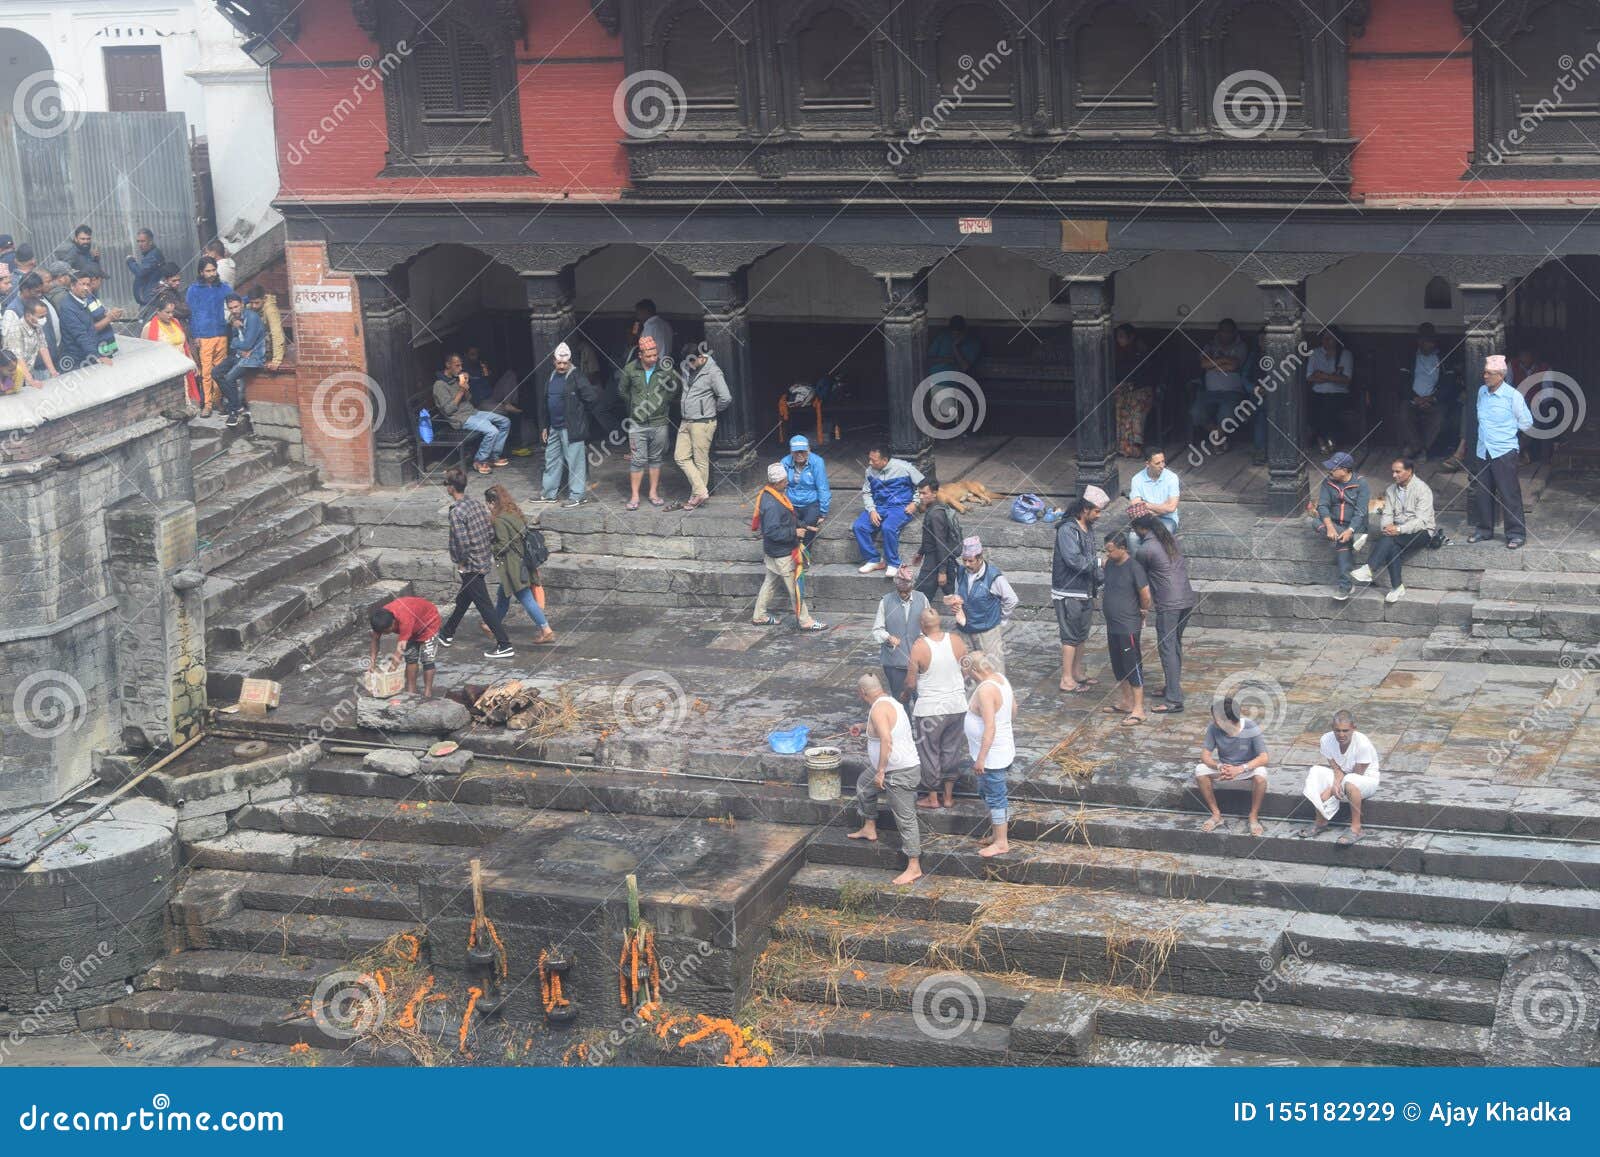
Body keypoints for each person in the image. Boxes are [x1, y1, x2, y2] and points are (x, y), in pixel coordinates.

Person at [846, 672, 924, 886]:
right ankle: (869, 826)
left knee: (905, 817)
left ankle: (914, 866)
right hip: (892, 766)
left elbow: (887, 741)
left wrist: (880, 771)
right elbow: (884, 727)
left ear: (861, 693)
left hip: (899, 770)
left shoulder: (879, 709)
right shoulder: (889, 702)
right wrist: (862, 727)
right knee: (864, 784)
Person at [438, 468, 514, 657]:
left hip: (470, 565)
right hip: (483, 558)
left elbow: (462, 543)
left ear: (450, 488)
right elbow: (490, 532)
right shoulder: (476, 504)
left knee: (484, 605)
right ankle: (447, 633)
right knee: (464, 599)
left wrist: (461, 562)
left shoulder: (457, 512)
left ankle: (504, 644)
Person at [903, 607, 968, 811]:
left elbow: (911, 683)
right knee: (951, 749)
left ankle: (932, 797)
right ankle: (948, 797)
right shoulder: (956, 640)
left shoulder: (919, 646)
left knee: (929, 752)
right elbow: (967, 669)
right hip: (956, 706)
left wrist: (903, 697)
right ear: (939, 622)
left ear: (922, 626)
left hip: (930, 709)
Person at [1467, 354, 1533, 549]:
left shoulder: (1513, 396)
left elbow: (1527, 422)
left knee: (1508, 493)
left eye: (1489, 373)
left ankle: (1516, 534)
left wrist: (1509, 436)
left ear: (1501, 376)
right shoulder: (1481, 392)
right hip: (1483, 450)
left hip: (1504, 451)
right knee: (1483, 492)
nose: (1485, 376)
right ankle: (1484, 530)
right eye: (1485, 372)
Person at [1132, 514, 1196, 715]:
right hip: (1186, 599)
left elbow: (1137, 577)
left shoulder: (1146, 549)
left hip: (1169, 604)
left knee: (1167, 649)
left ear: (1141, 530)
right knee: (1174, 646)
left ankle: (1174, 700)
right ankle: (1172, 687)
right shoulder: (1172, 540)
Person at [1349, 458, 1435, 603]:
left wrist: (1399, 529)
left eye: (1398, 472)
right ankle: (1397, 587)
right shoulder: (1391, 490)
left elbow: (1422, 521)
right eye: (1393, 472)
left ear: (1409, 471)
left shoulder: (1423, 489)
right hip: (1398, 531)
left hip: (1422, 531)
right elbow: (1387, 514)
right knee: (1391, 544)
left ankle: (1370, 568)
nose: (1394, 475)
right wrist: (1387, 527)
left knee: (1389, 540)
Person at [751, 462, 825, 631]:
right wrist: (794, 533)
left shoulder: (772, 495)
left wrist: (805, 526)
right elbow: (771, 531)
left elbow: (788, 517)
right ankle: (805, 621)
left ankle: (759, 615)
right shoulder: (771, 505)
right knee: (795, 589)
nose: (787, 483)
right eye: (785, 481)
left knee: (770, 582)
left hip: (773, 552)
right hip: (781, 553)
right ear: (777, 483)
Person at [485, 484, 555, 645]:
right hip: (523, 563)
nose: (487, 507)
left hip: (513, 568)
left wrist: (489, 546)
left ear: (492, 502)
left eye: (487, 503)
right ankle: (491, 625)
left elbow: (502, 545)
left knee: (526, 598)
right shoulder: (514, 514)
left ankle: (546, 630)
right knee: (503, 596)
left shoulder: (499, 521)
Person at [963, 651, 1016, 859]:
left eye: (967, 671)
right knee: (987, 792)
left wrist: (982, 758)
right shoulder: (1001, 678)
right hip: (999, 749)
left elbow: (990, 727)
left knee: (996, 797)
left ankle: (1002, 842)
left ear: (975, 671)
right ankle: (996, 834)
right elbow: (1013, 708)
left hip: (992, 756)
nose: (967, 676)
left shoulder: (986, 690)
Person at [1301, 710, 1381, 846]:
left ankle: (1356, 829)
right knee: (1316, 771)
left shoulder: (1363, 744)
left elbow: (1357, 774)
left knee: (1350, 781)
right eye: (1337, 731)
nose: (1341, 735)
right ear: (1332, 728)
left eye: (1345, 731)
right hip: (1344, 775)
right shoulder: (1326, 739)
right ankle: (1320, 821)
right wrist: (1335, 783)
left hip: (1365, 780)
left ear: (1353, 729)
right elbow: (1336, 768)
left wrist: (1331, 790)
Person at [1194, 696, 1270, 836]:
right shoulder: (1213, 728)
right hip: (1225, 768)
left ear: (1227, 721)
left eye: (1216, 719)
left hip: (1246, 769)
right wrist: (1218, 766)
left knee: (1261, 774)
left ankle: (1253, 816)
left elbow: (1264, 757)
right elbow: (1205, 756)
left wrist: (1241, 769)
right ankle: (1216, 814)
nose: (1213, 721)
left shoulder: (1250, 726)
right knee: (1200, 770)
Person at [618, 334, 675, 509]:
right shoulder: (630, 369)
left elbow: (673, 389)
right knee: (637, 459)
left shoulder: (665, 369)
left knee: (656, 458)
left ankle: (653, 492)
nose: (653, 359)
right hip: (637, 422)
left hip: (659, 422)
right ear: (640, 355)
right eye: (648, 356)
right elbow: (623, 391)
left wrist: (662, 402)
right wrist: (635, 406)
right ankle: (634, 496)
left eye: (655, 355)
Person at [1052, 497, 1102, 694]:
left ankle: (1077, 672)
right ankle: (1066, 678)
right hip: (1068, 590)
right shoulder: (1067, 530)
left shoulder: (1088, 529)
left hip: (1086, 590)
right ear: (1084, 510)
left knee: (1081, 634)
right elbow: (1074, 560)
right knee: (1070, 636)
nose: (1099, 515)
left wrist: (1100, 579)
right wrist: (1099, 563)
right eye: (1096, 511)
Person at [1100, 532, 1150, 726]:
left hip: (1128, 625)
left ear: (1123, 548)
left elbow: (1145, 594)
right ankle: (1126, 701)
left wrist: (1143, 611)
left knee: (1132, 664)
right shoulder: (1110, 564)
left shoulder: (1134, 568)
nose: (1108, 554)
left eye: (1111, 550)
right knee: (1118, 665)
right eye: (1107, 550)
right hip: (1112, 625)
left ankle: (1139, 709)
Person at [433, 352, 511, 475]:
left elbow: (469, 399)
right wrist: (461, 390)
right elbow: (448, 410)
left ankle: (493, 456)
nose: (460, 369)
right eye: (457, 366)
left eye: (461, 365)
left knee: (505, 421)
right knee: (492, 431)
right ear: (448, 365)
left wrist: (466, 385)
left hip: (472, 412)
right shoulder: (440, 385)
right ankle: (479, 460)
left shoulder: (456, 378)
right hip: (459, 419)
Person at [948, 536, 1018, 674]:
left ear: (980, 559)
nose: (967, 564)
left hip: (987, 632)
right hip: (965, 630)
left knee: (992, 670)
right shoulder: (961, 572)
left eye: (971, 561)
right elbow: (958, 594)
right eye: (964, 560)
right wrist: (956, 605)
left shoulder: (993, 576)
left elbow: (1012, 599)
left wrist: (1001, 620)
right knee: (967, 670)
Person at [541, 341, 599, 506]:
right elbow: (545, 402)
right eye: (559, 363)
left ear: (570, 362)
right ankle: (549, 493)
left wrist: (579, 416)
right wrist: (545, 426)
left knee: (575, 462)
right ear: (554, 361)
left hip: (571, 428)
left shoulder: (576, 376)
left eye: (565, 363)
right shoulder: (551, 376)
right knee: (551, 460)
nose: (561, 366)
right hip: (554, 427)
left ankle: (578, 496)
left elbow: (592, 398)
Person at [675, 341, 730, 509]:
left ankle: (696, 496)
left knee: (700, 460)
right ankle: (701, 490)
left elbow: (725, 397)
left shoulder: (713, 372)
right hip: (686, 420)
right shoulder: (687, 367)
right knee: (680, 456)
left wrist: (710, 410)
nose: (689, 365)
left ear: (701, 357)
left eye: (692, 361)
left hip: (703, 422)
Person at [853, 444, 923, 574]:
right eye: (869, 459)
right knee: (859, 526)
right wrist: (872, 510)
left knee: (888, 527)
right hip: (879, 506)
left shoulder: (905, 467)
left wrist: (915, 503)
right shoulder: (869, 471)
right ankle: (874, 559)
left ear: (884, 460)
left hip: (900, 506)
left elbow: (923, 485)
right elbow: (867, 492)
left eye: (874, 460)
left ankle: (893, 563)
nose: (870, 462)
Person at [1315, 451, 1370, 601]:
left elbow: (1360, 512)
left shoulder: (1361, 483)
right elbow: (1322, 506)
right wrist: (1331, 527)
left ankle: (1345, 586)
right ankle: (1350, 539)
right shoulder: (1328, 482)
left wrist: (1350, 530)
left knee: (1342, 542)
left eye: (1333, 468)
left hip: (1355, 526)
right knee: (1314, 521)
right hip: (1334, 524)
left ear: (1345, 470)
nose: (1330, 471)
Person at [368, 596, 443, 698]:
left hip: (429, 624)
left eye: (387, 632)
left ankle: (427, 693)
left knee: (428, 660)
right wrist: (372, 663)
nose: (385, 634)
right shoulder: (380, 620)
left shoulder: (404, 619)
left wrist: (390, 673)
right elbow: (375, 640)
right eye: (383, 632)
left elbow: (400, 650)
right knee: (411, 658)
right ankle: (411, 690)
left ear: (394, 623)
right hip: (412, 628)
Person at [186, 256, 232, 417]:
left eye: (213, 270)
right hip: (204, 336)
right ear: (201, 272)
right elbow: (192, 315)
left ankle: (218, 400)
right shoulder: (193, 290)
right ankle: (207, 404)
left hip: (221, 333)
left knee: (219, 372)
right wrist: (196, 335)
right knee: (206, 372)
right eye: (208, 271)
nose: (212, 273)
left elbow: (235, 301)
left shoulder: (224, 287)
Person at [873, 567, 927, 699]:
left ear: (912, 586)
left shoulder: (922, 599)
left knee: (921, 699)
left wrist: (922, 636)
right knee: (900, 699)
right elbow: (877, 630)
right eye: (900, 591)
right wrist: (888, 637)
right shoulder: (885, 601)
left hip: (917, 662)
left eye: (906, 591)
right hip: (894, 662)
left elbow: (928, 625)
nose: (903, 594)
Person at [1192, 319, 1249, 441]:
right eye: (1223, 331)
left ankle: (1217, 441)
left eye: (1229, 331)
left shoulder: (1241, 346)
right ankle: (1217, 437)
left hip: (1232, 392)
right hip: (1210, 392)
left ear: (1234, 332)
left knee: (1226, 416)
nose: (1226, 334)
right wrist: (1225, 360)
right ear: (1218, 332)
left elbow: (1234, 365)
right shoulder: (1210, 345)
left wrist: (1213, 363)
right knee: (1196, 413)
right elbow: (1203, 364)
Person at [215, 292, 265, 426]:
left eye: (236, 307)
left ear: (242, 305)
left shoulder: (252, 317)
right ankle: (237, 406)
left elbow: (247, 344)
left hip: (254, 356)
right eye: (231, 308)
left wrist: (234, 343)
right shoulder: (234, 318)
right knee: (216, 373)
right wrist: (233, 324)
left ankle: (234, 412)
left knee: (229, 378)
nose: (234, 310)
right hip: (239, 354)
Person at [911, 476, 962, 603]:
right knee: (953, 598)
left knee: (919, 599)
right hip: (936, 559)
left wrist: (942, 571)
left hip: (935, 561)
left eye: (924, 493)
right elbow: (929, 537)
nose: (921, 497)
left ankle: (968, 621)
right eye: (919, 493)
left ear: (934, 493)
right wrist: (920, 552)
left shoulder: (936, 514)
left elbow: (941, 543)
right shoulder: (932, 509)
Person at [1399, 323, 1446, 459]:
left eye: (1431, 342)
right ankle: (1419, 448)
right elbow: (1402, 381)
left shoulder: (1442, 358)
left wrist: (1432, 398)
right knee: (1404, 412)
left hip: (1433, 400)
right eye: (1425, 342)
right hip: (1413, 399)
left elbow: (1447, 383)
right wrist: (1415, 398)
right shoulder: (1410, 356)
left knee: (1440, 416)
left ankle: (1417, 449)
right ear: (1419, 341)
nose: (1429, 345)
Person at [142, 296, 199, 406]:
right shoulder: (149, 327)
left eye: (172, 312)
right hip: (165, 368)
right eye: (167, 312)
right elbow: (145, 353)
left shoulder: (176, 322)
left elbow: (185, 345)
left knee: (185, 395)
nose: (171, 315)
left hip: (182, 366)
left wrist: (192, 361)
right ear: (158, 311)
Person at [1305, 330, 1354, 453]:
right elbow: (1310, 376)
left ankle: (1325, 439)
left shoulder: (1345, 354)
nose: (1327, 341)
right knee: (1314, 405)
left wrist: (1323, 375)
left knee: (1329, 405)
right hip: (1317, 392)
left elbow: (1346, 379)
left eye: (1330, 338)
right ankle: (1325, 440)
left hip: (1339, 393)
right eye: (1325, 338)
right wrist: (1333, 377)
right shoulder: (1315, 353)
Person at [1113, 323, 1156, 458]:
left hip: (1143, 390)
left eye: (1122, 337)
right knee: (1119, 405)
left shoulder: (1141, 351)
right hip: (1126, 390)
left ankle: (1136, 445)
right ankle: (1123, 446)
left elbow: (1146, 376)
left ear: (1130, 337)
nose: (1119, 340)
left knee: (1136, 409)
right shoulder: (1117, 352)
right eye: (1117, 337)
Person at [1508, 345, 1555, 464]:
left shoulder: (1544, 368)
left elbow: (1548, 393)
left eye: (1528, 355)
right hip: (1516, 403)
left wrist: (1535, 403)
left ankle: (1520, 452)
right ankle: (1519, 453)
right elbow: (1508, 387)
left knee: (1535, 422)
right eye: (1522, 355)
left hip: (1536, 405)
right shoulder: (1512, 365)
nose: (1525, 358)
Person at [781, 435, 830, 546]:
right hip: (791, 501)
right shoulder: (785, 462)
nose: (799, 454)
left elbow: (823, 487)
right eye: (796, 452)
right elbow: (780, 486)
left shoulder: (817, 462)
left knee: (808, 526)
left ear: (808, 450)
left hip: (811, 502)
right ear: (791, 452)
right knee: (789, 524)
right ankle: (793, 554)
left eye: (802, 451)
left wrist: (823, 511)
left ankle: (804, 556)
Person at [56, 270, 106, 369]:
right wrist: (96, 356)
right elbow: (80, 335)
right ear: (72, 286)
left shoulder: (83, 301)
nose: (86, 288)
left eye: (88, 284)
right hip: (76, 359)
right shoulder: (68, 307)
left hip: (87, 355)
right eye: (82, 284)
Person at [1127, 449, 1180, 539]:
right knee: (1133, 538)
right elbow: (1136, 507)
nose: (1162, 466)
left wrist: (1146, 504)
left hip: (1168, 519)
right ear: (1147, 464)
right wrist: (1162, 508)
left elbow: (1171, 507)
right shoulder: (1137, 479)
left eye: (1163, 462)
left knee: (1161, 535)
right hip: (1145, 520)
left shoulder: (1172, 477)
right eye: (1157, 463)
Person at [2, 299, 54, 387]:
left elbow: (43, 348)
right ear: (28, 315)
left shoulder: (37, 326)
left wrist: (53, 371)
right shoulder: (15, 330)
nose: (44, 319)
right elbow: (19, 358)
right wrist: (30, 380)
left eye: (45, 316)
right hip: (10, 378)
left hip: (26, 374)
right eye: (41, 317)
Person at [927, 315, 983, 379]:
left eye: (959, 333)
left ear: (965, 330)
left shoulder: (973, 343)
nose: (955, 336)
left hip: (955, 381)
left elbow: (965, 367)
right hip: (936, 378)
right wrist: (948, 360)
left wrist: (955, 347)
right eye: (953, 333)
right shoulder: (942, 336)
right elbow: (928, 360)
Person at [626, 299, 674, 369]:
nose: (637, 316)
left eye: (638, 313)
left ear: (645, 311)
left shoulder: (650, 326)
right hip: (666, 365)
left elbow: (646, 350)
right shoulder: (666, 325)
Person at [247, 286, 286, 369]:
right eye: (251, 303)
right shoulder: (250, 306)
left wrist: (276, 360)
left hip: (272, 349)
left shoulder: (271, 310)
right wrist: (233, 320)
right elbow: (237, 311)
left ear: (264, 299)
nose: (254, 306)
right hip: (259, 348)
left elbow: (277, 333)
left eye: (257, 303)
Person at [139, 263, 188, 328]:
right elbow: (181, 311)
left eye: (179, 280)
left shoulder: (173, 291)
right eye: (174, 280)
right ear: (165, 280)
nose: (177, 283)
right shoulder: (162, 294)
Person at [126, 228, 164, 305]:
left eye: (143, 241)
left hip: (150, 302)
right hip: (147, 300)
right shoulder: (150, 254)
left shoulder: (153, 256)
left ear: (150, 242)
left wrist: (130, 261)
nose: (140, 244)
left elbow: (140, 272)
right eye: (138, 241)